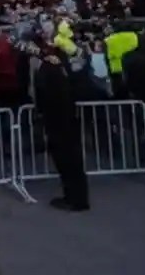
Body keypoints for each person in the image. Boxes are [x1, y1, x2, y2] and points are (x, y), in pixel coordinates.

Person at [33, 41, 90, 212]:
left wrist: (41, 112)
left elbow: (42, 93)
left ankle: (73, 199)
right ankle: (78, 198)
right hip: (70, 118)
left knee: (66, 161)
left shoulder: (49, 69)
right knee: (74, 161)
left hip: (57, 119)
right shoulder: (70, 67)